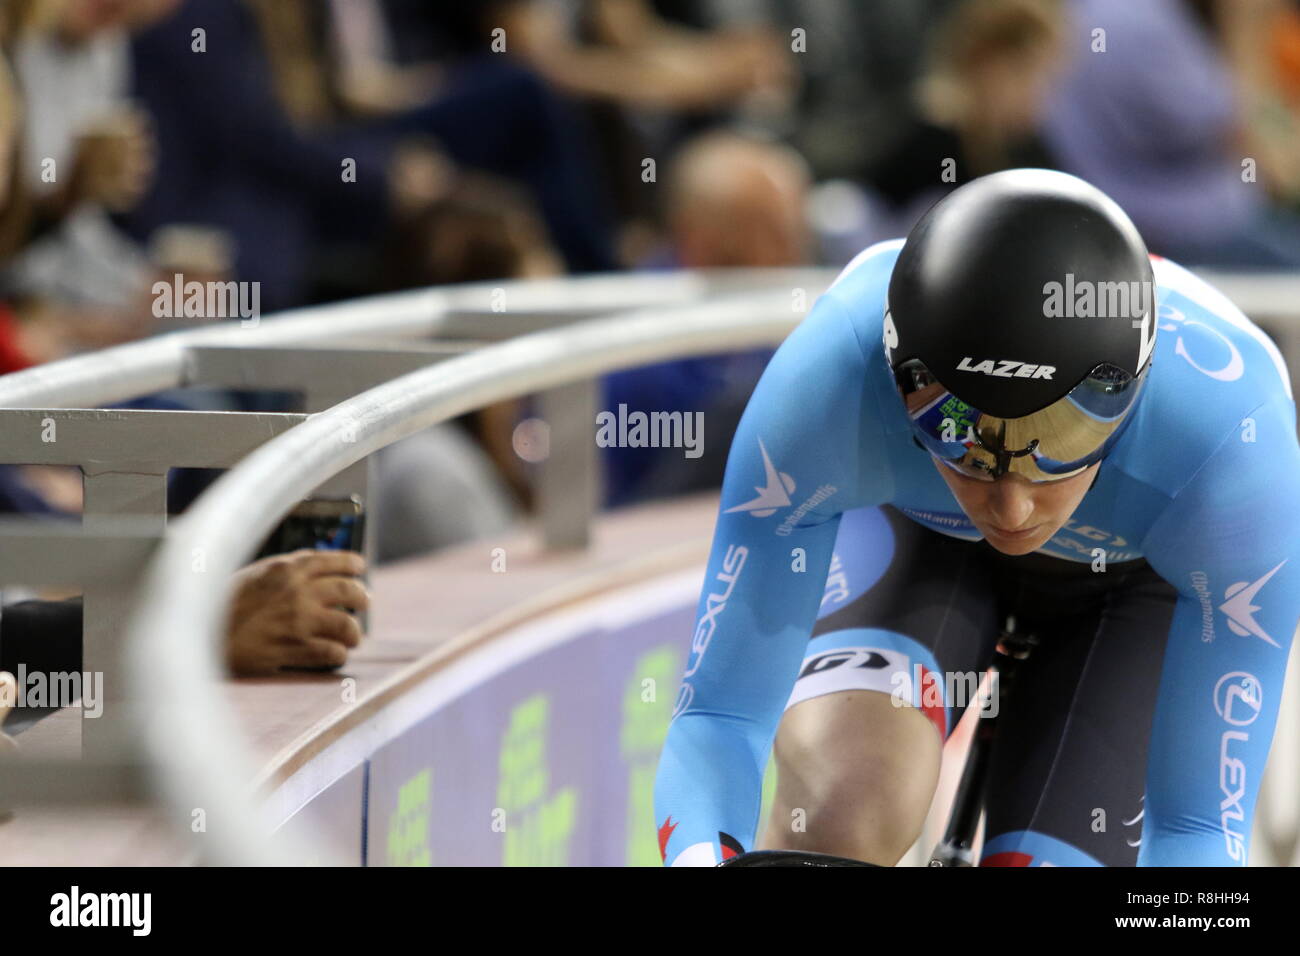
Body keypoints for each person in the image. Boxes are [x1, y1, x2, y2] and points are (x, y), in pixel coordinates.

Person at [654, 168, 1300, 867]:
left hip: (1132, 588)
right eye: (958, 435)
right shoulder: (834, 368)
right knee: (841, 812)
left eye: (1061, 443)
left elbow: (1199, 832)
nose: (1012, 506)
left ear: (1135, 388)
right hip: (923, 539)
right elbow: (720, 715)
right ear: (899, 375)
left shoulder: (1236, 443)